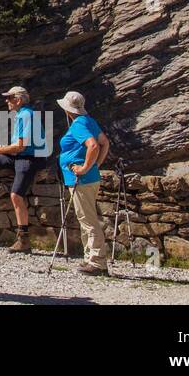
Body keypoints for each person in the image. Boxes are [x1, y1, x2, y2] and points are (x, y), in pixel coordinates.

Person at [0, 86, 50, 253]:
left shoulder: (26, 115)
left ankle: (23, 239)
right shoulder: (22, 114)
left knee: (16, 196)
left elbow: (21, 146)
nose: (6, 101)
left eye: (9, 97)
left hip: (31, 157)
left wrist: (1, 150)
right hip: (20, 155)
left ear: (18, 100)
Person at [56, 90, 111, 275]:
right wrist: (95, 165)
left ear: (67, 109)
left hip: (80, 178)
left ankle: (97, 262)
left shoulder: (78, 124)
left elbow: (94, 145)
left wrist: (85, 168)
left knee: (88, 220)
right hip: (89, 178)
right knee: (86, 218)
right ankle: (90, 259)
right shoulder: (89, 121)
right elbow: (105, 143)